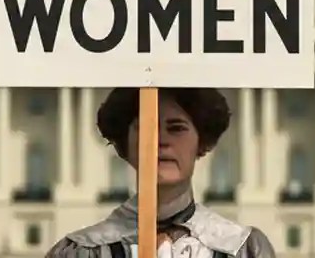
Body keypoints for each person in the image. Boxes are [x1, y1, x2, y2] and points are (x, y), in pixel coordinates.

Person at [46, 87, 277, 257]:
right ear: (125, 143)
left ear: (201, 142)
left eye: (176, 128)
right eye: (146, 127)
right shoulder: (81, 251)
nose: (160, 141)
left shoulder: (244, 249)